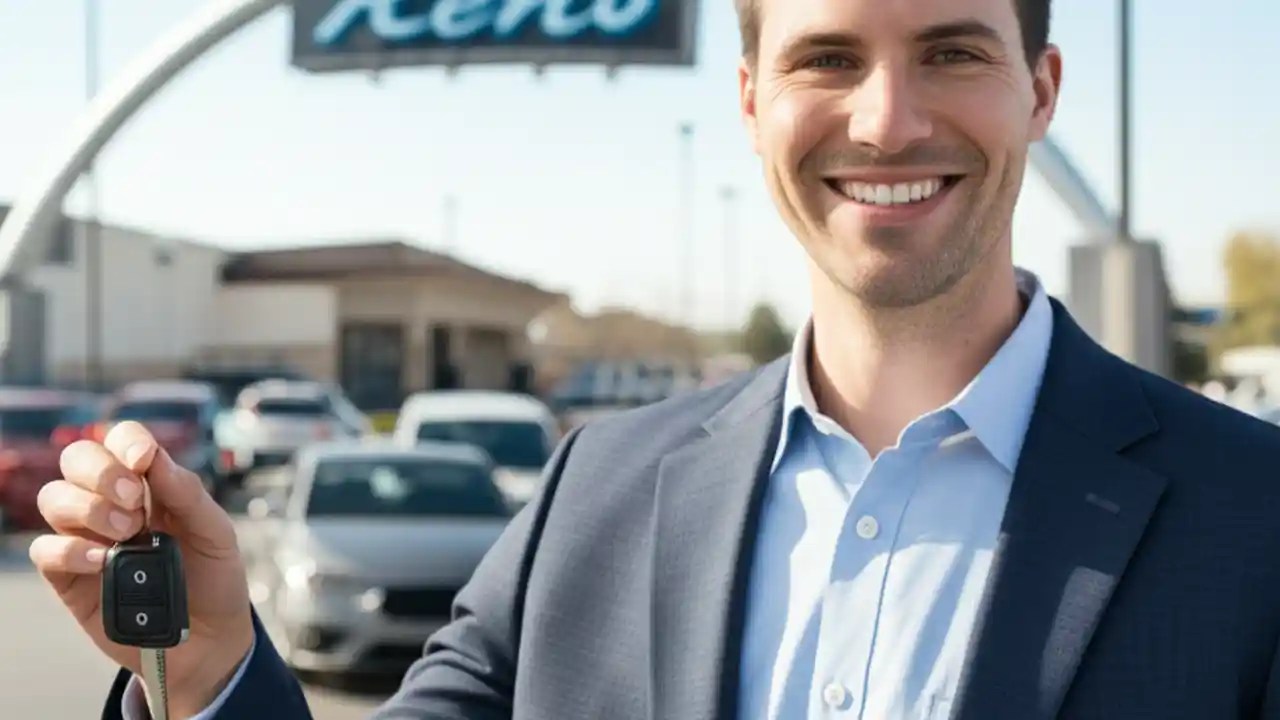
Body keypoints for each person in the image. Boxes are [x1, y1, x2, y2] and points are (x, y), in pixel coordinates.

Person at [31, 0, 1280, 718]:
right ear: (748, 101)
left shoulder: (1255, 518)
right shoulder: (594, 496)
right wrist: (206, 672)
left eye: (950, 49)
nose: (887, 117)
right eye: (825, 57)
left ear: (1041, 90)